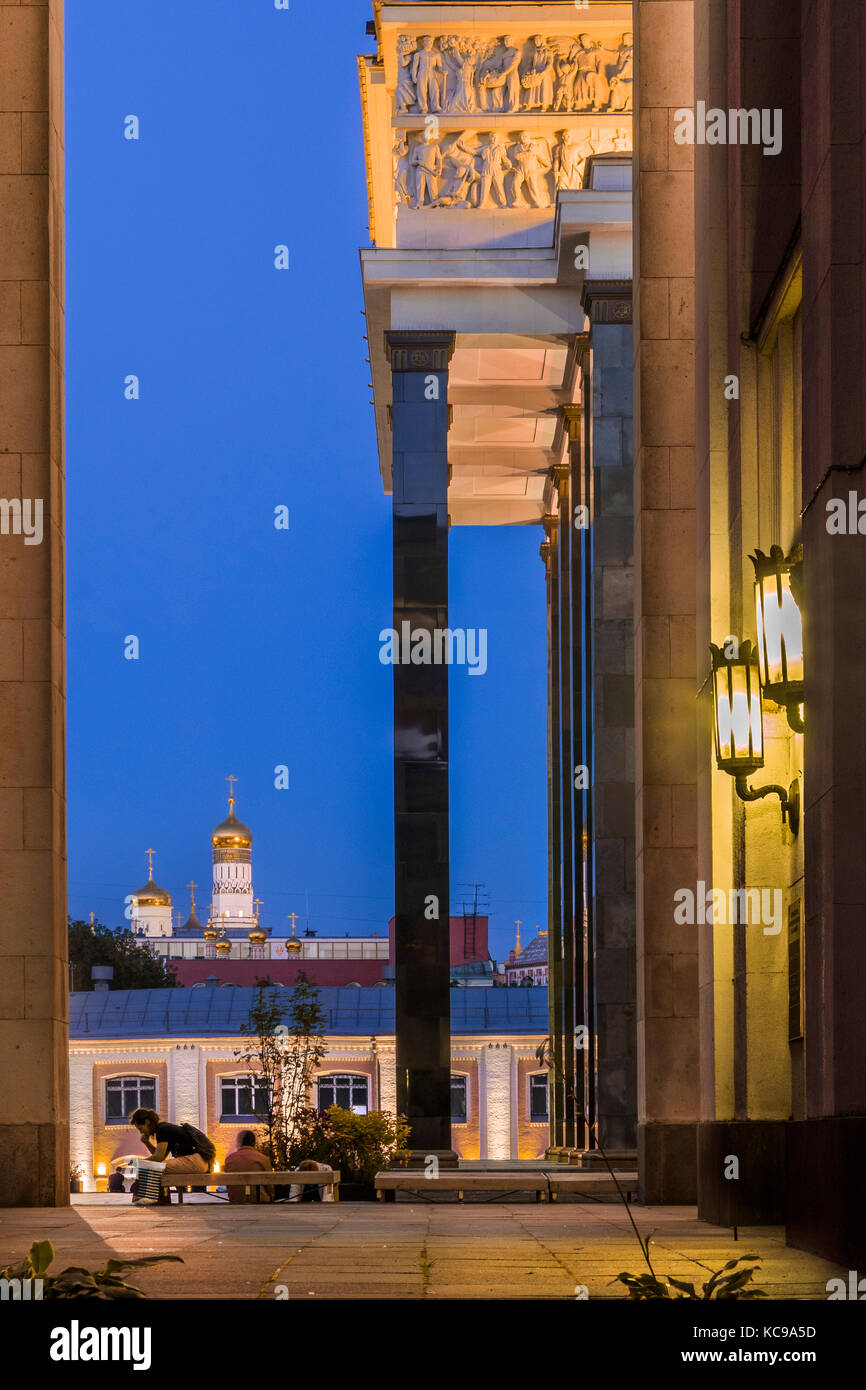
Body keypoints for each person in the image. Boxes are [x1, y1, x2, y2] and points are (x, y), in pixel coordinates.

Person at [129, 1107, 210, 1206]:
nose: (141, 1132)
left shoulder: (162, 1129)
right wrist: (147, 1143)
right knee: (153, 1165)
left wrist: (138, 1163)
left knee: (151, 1166)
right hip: (199, 1161)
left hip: (195, 1161)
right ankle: (159, 1199)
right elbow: (160, 1156)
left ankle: (153, 1199)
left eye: (141, 1129)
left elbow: (158, 1157)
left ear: (147, 1122)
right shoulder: (164, 1128)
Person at [223, 1130, 273, 1204]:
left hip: (236, 1200)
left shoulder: (229, 1159)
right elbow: (269, 1184)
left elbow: (228, 1185)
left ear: (239, 1142)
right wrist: (271, 1197)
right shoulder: (263, 1159)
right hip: (259, 1200)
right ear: (254, 1142)